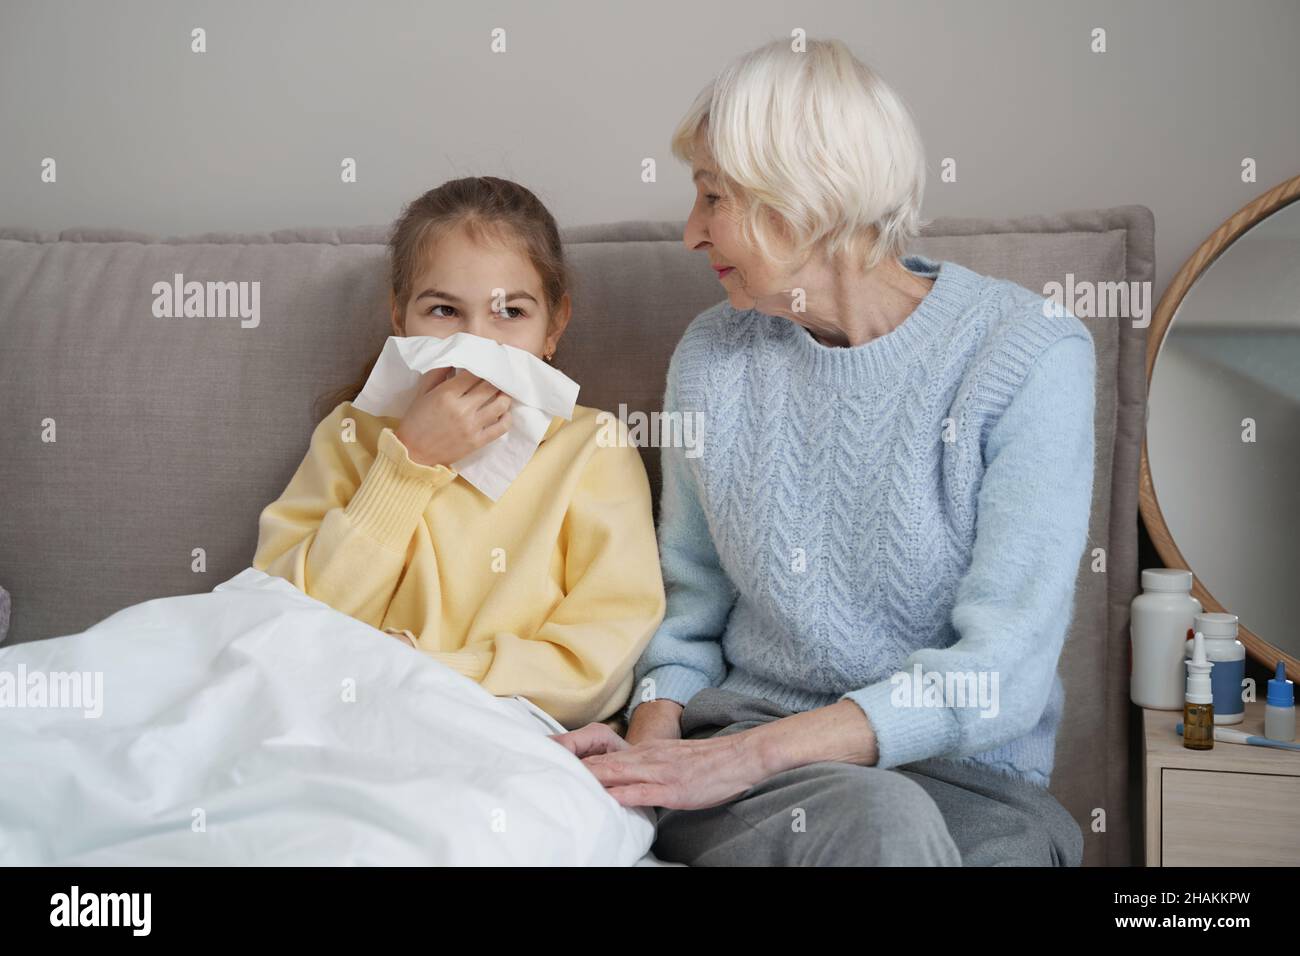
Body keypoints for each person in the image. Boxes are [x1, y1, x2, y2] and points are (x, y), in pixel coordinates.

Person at [553, 38, 1092, 866]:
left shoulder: (1028, 354)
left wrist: (748, 756)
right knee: (880, 824)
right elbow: (687, 616)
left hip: (971, 786)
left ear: (802, 194)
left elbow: (1004, 671)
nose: (692, 232)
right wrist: (652, 749)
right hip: (753, 771)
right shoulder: (713, 357)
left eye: (711, 197)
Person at [253, 176, 666, 730]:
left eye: (511, 313)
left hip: (503, 728)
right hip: (340, 715)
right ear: (400, 319)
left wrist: (431, 671)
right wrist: (408, 465)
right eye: (445, 311)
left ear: (554, 326)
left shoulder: (593, 450)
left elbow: (599, 661)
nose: (477, 346)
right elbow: (287, 617)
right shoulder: (351, 436)